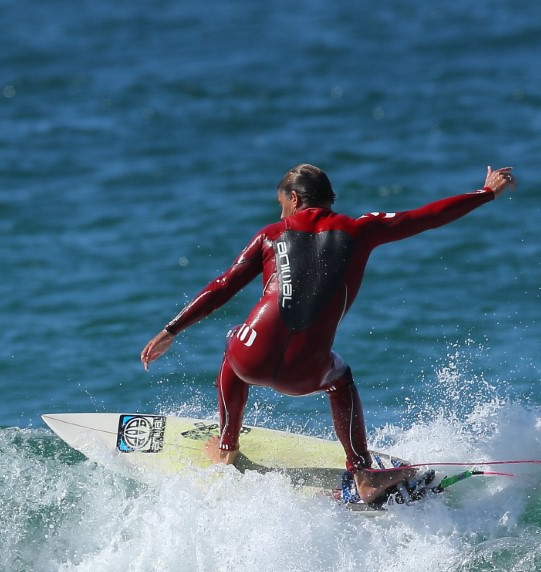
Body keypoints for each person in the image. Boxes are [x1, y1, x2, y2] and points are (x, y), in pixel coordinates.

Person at [141, 163, 516, 504]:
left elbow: (223, 285)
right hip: (305, 371)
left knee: (233, 341)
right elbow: (425, 217)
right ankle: (363, 473)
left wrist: (170, 329)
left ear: (293, 198)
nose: (280, 212)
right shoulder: (359, 230)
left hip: (248, 360)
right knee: (340, 379)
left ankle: (227, 447)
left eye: (281, 204)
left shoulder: (271, 235)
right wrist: (484, 193)